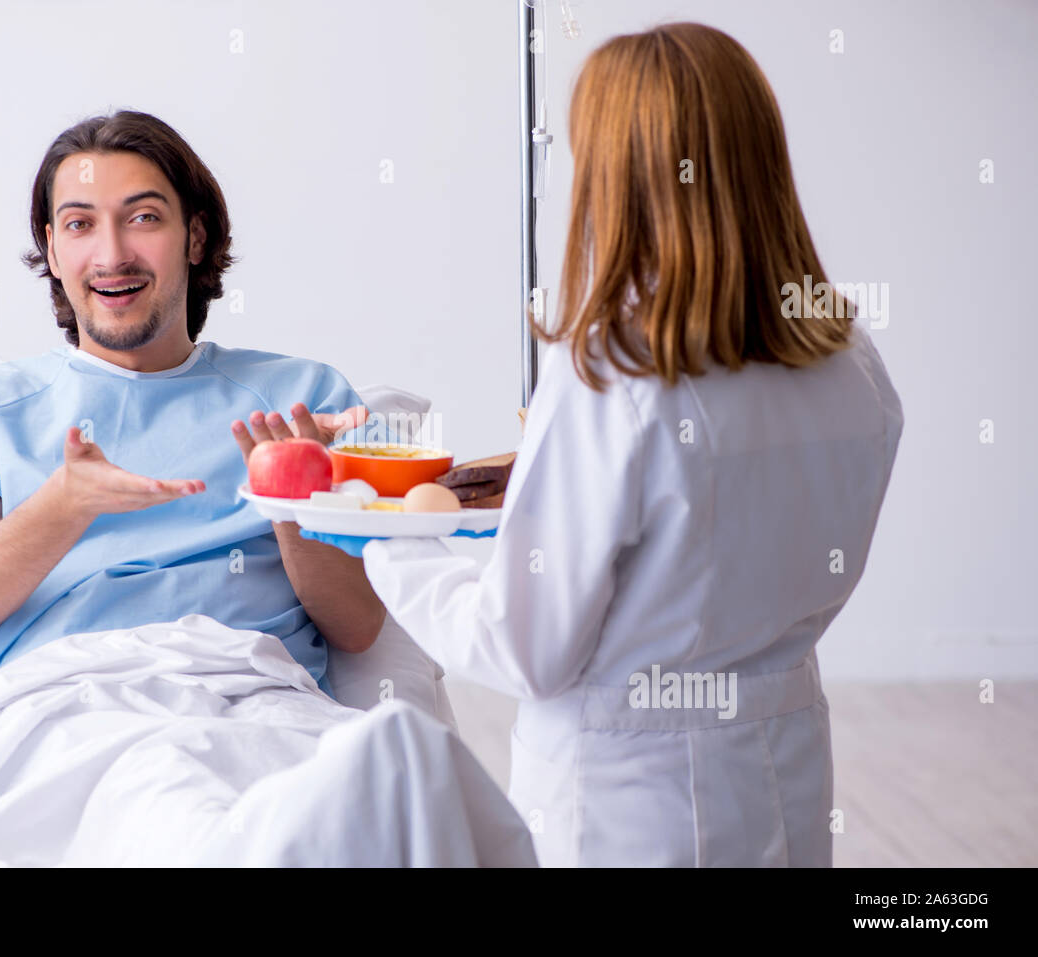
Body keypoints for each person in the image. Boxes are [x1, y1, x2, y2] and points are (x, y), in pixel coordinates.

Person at [326, 23, 904, 866]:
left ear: (614, 170)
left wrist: (388, 542)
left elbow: (527, 649)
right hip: (785, 772)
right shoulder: (848, 357)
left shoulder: (614, 367)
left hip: (627, 803)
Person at [0, 111, 383, 723]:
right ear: (52, 250)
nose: (112, 255)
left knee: (407, 770)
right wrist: (64, 505)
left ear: (195, 238)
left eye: (143, 218)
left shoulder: (302, 398)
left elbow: (357, 626)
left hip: (256, 709)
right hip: (53, 715)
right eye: (80, 224)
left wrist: (294, 503)